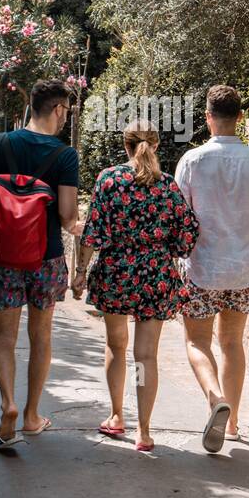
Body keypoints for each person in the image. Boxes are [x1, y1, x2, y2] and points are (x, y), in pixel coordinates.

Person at [0, 80, 80, 450]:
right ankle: (31, 415)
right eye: (66, 112)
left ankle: (7, 404)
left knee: (4, 338)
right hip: (45, 256)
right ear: (59, 109)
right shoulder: (65, 155)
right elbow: (66, 215)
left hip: (3, 253)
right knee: (41, 334)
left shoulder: (0, 143)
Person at [72, 121, 199, 453]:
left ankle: (116, 416)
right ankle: (144, 431)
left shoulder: (109, 180)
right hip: (155, 276)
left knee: (116, 346)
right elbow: (186, 236)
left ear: (125, 146)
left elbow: (94, 232)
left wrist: (80, 272)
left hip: (115, 273)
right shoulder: (167, 185)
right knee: (146, 356)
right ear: (154, 146)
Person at [175, 85, 249, 453]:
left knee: (196, 341)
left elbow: (177, 218)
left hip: (201, 268)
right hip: (243, 269)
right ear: (240, 117)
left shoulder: (191, 161)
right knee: (233, 343)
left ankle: (214, 399)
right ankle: (234, 422)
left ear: (208, 117)